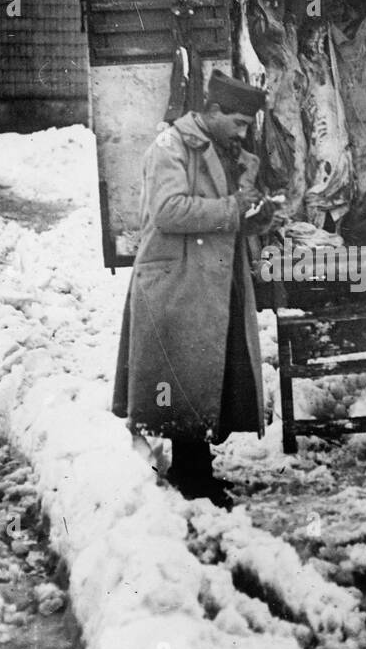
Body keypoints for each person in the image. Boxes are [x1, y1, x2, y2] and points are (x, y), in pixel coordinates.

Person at [112, 70, 277, 507]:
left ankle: (198, 473)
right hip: (179, 280)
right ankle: (192, 479)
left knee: (208, 374)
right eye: (239, 122)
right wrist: (232, 210)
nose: (244, 132)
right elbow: (168, 211)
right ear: (215, 110)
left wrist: (257, 215)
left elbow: (237, 208)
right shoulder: (172, 146)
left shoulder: (229, 150)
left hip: (213, 279)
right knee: (187, 378)